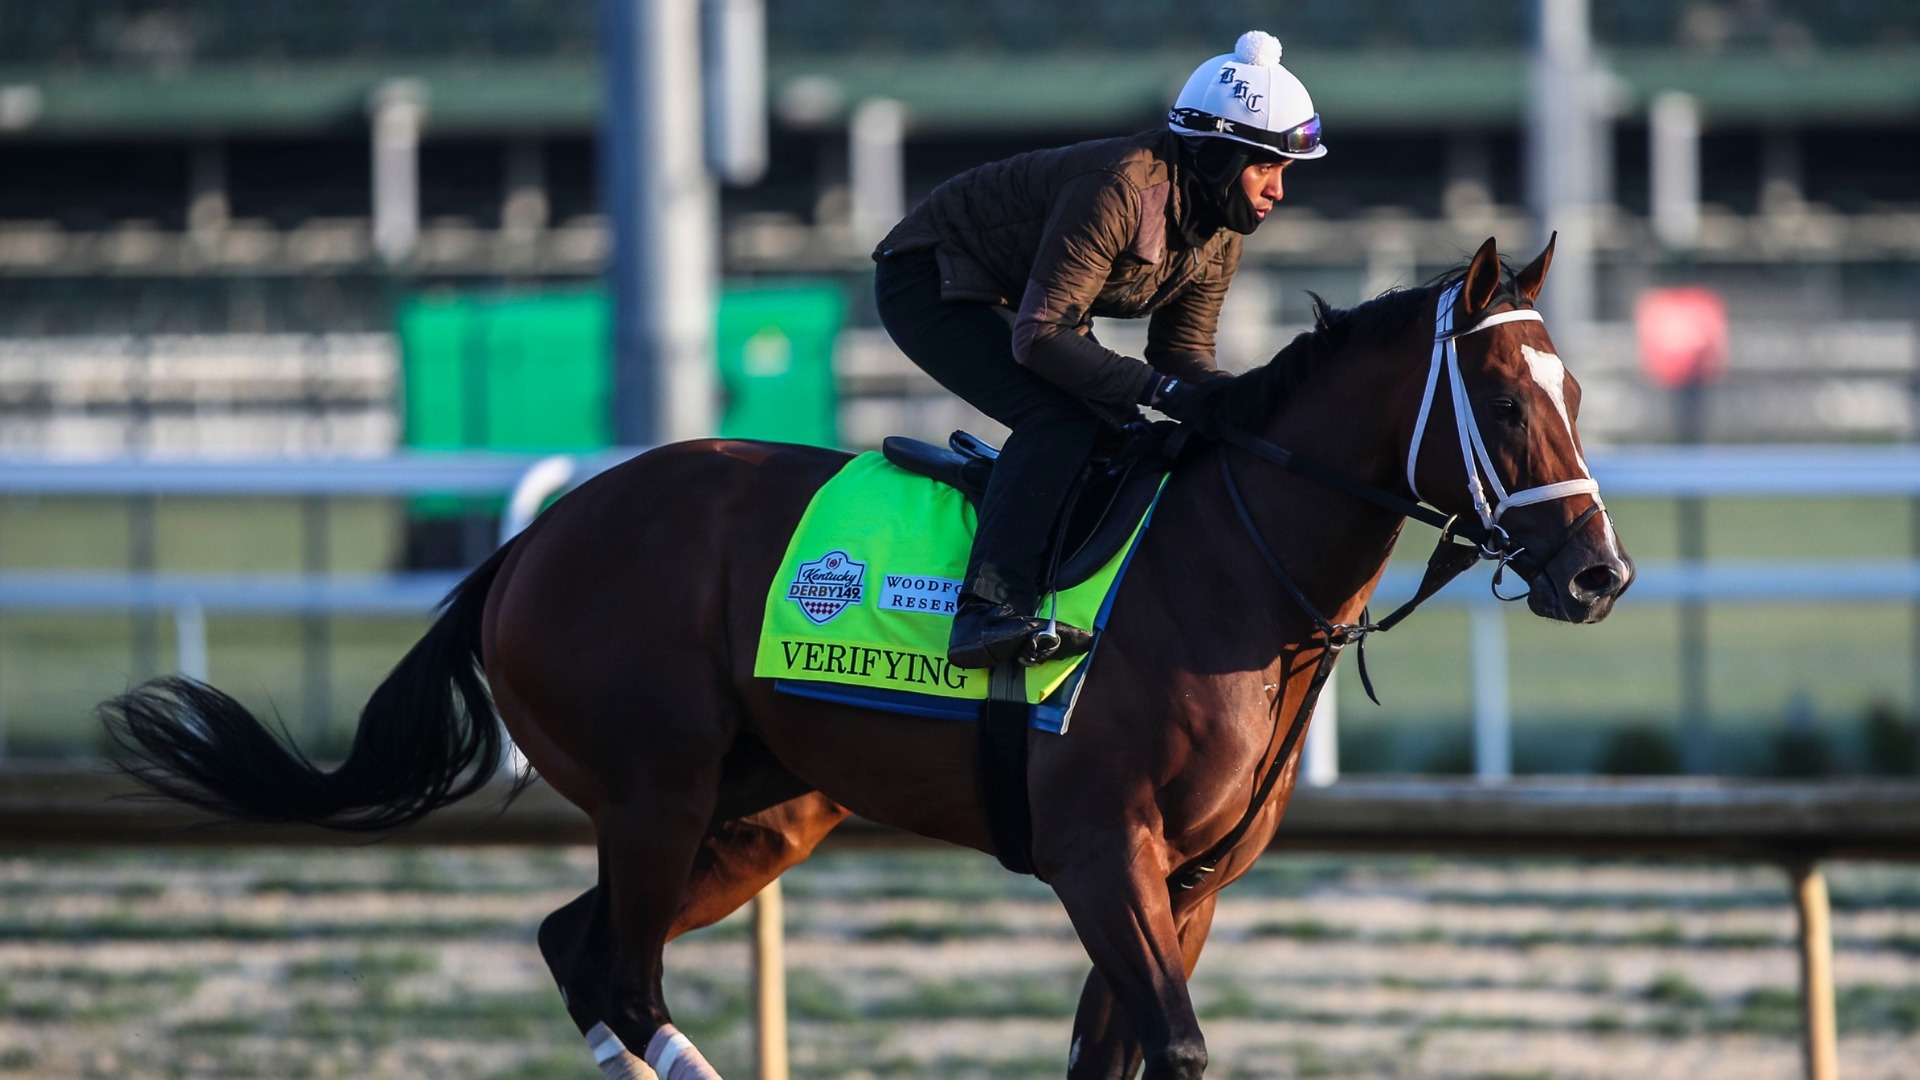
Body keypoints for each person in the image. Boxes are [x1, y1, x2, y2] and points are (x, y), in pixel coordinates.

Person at [872, 30, 1327, 670]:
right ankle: (985, 613)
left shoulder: (1221, 230)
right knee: (1058, 418)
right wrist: (1165, 394)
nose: (1279, 189)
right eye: (1267, 165)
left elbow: (1182, 352)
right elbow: (1041, 338)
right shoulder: (1118, 186)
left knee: (1121, 435)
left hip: (1024, 302)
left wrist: (1237, 404)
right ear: (1218, 157)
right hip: (934, 280)